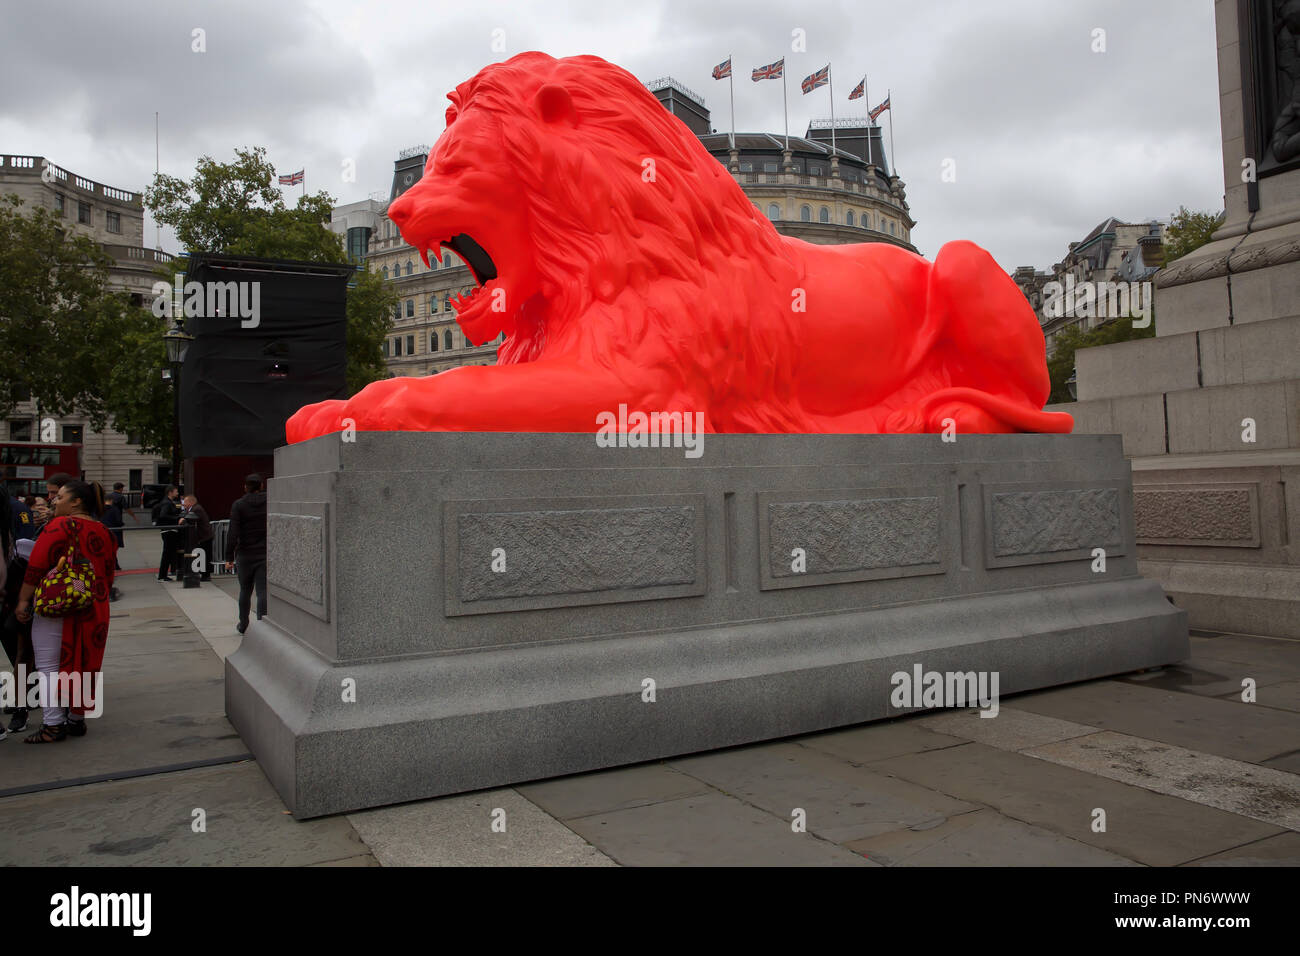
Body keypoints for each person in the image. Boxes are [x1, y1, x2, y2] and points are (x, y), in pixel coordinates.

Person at [13, 479, 117, 743]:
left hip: (60, 603)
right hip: (95, 606)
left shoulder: (60, 525)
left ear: (76, 502)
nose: (53, 501)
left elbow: (36, 566)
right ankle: (76, 719)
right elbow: (107, 573)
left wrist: (23, 601)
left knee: (48, 665)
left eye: (59, 497)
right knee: (83, 662)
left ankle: (52, 724)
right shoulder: (103, 530)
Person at [225, 474, 267, 634]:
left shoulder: (239, 505)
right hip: (263, 552)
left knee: (245, 590)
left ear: (245, 487)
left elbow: (233, 532)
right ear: (261, 486)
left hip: (245, 553)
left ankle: (243, 623)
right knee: (262, 591)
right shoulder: (268, 502)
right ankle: (263, 624)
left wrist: (229, 556)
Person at [178, 494, 214, 582]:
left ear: (191, 502)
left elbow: (191, 519)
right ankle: (203, 573)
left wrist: (184, 520)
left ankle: (206, 575)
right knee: (202, 555)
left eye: (185, 502)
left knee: (205, 555)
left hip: (205, 537)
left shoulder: (196, 509)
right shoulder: (192, 509)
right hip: (201, 537)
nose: (184, 504)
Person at [154, 485, 181, 581]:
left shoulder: (167, 502)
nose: (177, 493)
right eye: (176, 491)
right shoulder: (167, 503)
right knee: (167, 552)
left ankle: (166, 573)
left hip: (168, 530)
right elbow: (163, 515)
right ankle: (163, 575)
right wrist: (177, 518)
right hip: (169, 530)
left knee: (169, 552)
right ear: (170, 492)